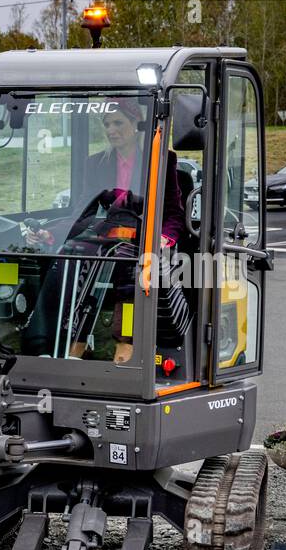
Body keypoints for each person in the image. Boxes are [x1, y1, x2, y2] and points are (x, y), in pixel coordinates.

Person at [22, 98, 186, 363]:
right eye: (107, 124)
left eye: (118, 123)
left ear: (135, 124)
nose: (111, 130)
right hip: (107, 236)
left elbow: (174, 214)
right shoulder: (96, 162)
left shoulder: (161, 160)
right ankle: (73, 338)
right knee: (69, 256)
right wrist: (50, 233)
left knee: (128, 264)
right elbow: (82, 212)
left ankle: (126, 340)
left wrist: (164, 239)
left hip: (142, 237)